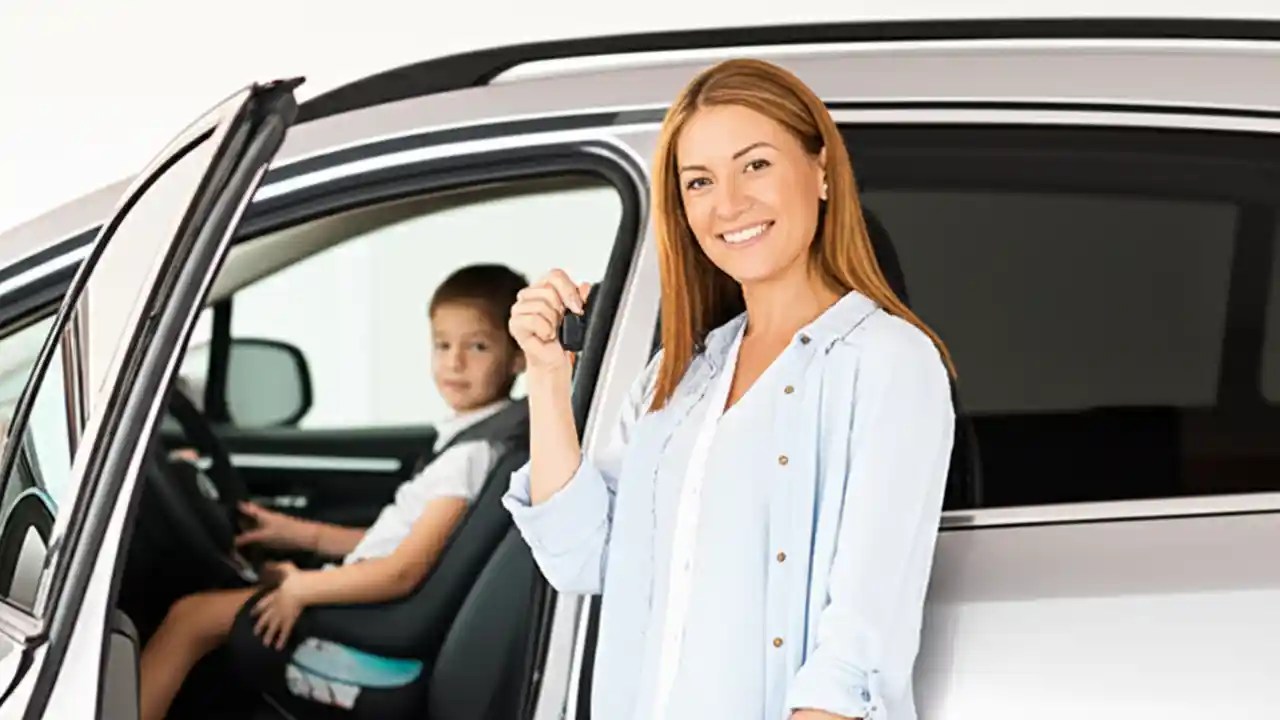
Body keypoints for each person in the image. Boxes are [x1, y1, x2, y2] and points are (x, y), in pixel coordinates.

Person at [504, 58, 957, 720]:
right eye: (700, 181)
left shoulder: (889, 362)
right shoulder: (677, 378)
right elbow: (580, 558)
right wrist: (546, 377)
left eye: (756, 165)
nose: (729, 204)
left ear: (822, 170)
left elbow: (857, 644)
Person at [138, 263, 528, 720]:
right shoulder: (475, 440)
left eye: (477, 346)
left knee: (189, 618)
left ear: (519, 358)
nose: (454, 362)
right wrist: (293, 533)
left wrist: (305, 588)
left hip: (373, 620)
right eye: (442, 344)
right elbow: (397, 542)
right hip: (369, 598)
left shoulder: (470, 457)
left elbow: (402, 571)